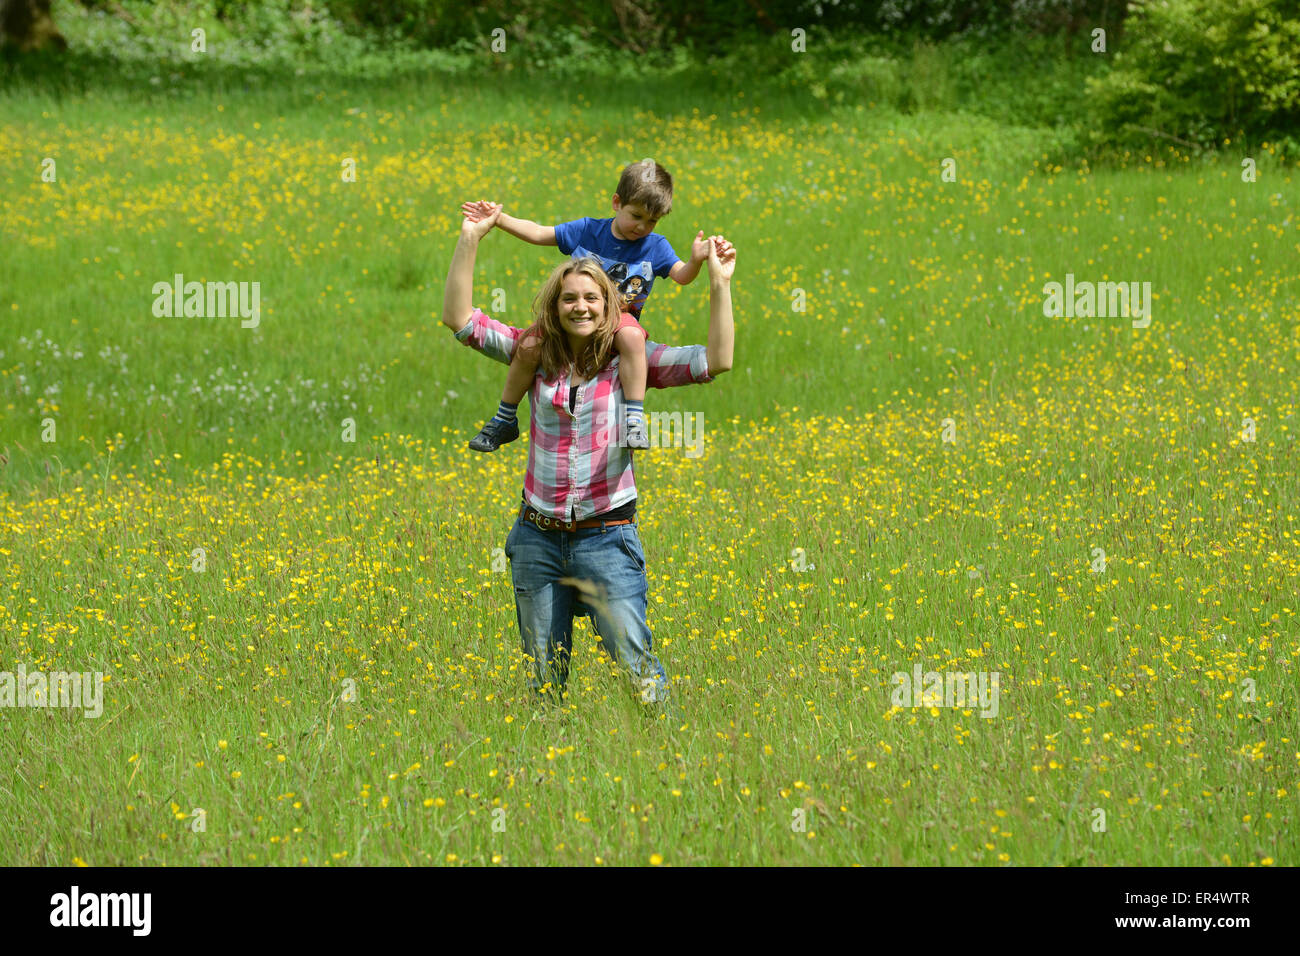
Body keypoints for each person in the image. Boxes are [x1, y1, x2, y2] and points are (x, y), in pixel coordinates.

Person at [440, 204, 736, 709]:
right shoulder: (533, 355)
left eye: (592, 298)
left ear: (610, 305)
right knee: (543, 679)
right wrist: (471, 238)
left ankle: (665, 751)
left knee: (637, 669)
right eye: (570, 298)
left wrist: (719, 284)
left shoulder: (631, 359)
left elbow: (717, 360)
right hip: (537, 538)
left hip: (607, 538)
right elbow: (460, 320)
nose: (581, 307)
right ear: (555, 307)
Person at [460, 158, 712, 453]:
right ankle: (505, 418)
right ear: (617, 202)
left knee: (632, 337)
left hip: (617, 322)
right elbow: (539, 232)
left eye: (652, 221)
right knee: (529, 345)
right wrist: (499, 219)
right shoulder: (587, 231)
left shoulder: (655, 246)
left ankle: (633, 419)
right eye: (636, 215)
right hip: (570, 318)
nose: (642, 227)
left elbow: (682, 276)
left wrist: (696, 260)